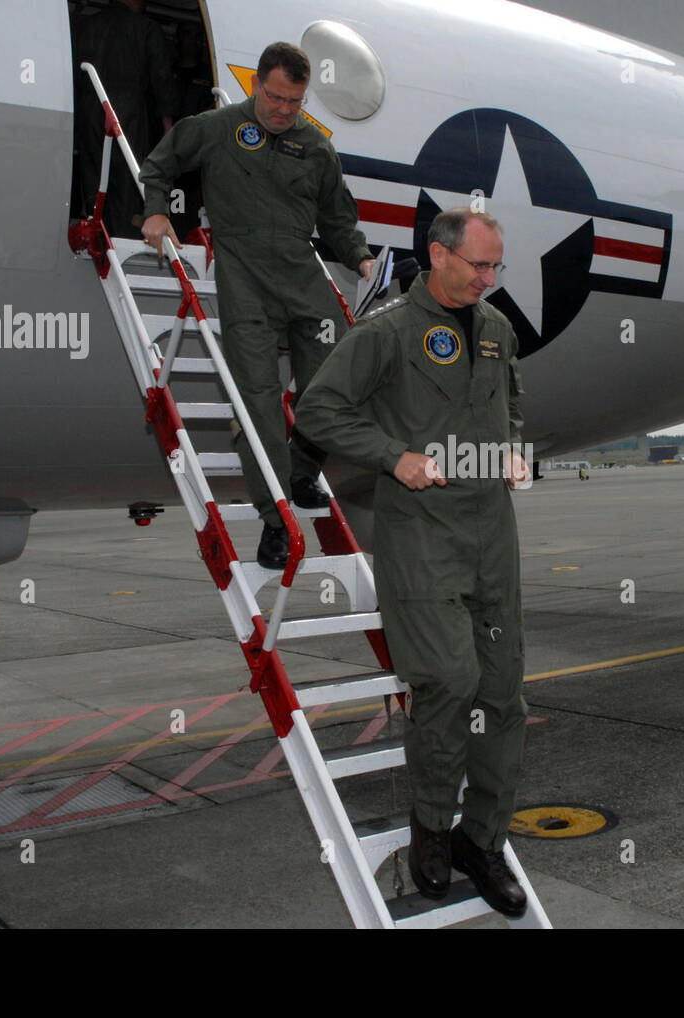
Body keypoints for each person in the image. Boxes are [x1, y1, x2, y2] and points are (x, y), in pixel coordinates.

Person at [295, 209, 531, 917]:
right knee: (448, 683)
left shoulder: (497, 330)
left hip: (493, 530)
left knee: (504, 698)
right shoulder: (389, 331)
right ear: (437, 254)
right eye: (478, 267)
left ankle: (480, 841)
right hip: (422, 535)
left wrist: (515, 444)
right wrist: (393, 457)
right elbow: (318, 411)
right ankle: (431, 827)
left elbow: (512, 400)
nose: (489, 280)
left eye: (496, 268)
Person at [139, 42, 374, 568]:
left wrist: (359, 259)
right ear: (256, 86)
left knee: (332, 385)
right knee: (258, 399)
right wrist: (155, 212)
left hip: (300, 274)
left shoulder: (315, 145)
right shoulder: (219, 127)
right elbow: (160, 163)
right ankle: (274, 517)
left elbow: (338, 219)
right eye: (275, 97)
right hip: (244, 279)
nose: (283, 110)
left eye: (294, 101)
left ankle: (302, 469)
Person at [73, 0, 179, 238]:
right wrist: (167, 126)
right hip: (128, 112)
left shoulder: (86, 26)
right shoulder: (146, 28)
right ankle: (122, 238)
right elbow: (162, 79)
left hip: (90, 110)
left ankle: (94, 233)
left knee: (93, 177)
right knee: (128, 183)